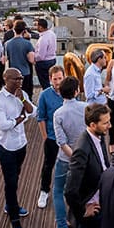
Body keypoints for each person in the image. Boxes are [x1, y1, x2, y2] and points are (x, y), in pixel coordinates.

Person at [0, 68, 33, 228]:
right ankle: (14, 218)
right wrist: (20, 118)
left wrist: (22, 99)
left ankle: (10, 205)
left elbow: (32, 112)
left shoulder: (21, 94)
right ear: (6, 79)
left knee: (16, 176)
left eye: (21, 78)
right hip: (5, 147)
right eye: (16, 79)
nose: (20, 81)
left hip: (21, 144)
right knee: (11, 181)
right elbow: (4, 125)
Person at [42, 75, 82, 228]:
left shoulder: (59, 113)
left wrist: (72, 157)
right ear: (77, 91)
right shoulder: (86, 108)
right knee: (79, 192)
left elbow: (61, 142)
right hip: (83, 159)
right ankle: (77, 224)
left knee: (58, 192)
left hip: (66, 159)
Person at [35, 65, 65, 210]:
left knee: (70, 165)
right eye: (55, 79)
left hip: (68, 138)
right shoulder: (44, 95)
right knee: (48, 165)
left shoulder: (69, 92)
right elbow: (41, 118)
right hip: (52, 138)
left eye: (60, 78)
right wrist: (45, 137)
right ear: (50, 79)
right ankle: (44, 191)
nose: (58, 82)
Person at [4, 20, 36, 100]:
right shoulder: (27, 44)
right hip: (25, 72)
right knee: (26, 94)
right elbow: (31, 60)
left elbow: (6, 58)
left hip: (13, 73)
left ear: (14, 30)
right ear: (24, 30)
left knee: (14, 93)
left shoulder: (7, 43)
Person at [34, 17, 58, 92]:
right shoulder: (52, 34)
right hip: (52, 60)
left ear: (41, 27)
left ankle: (48, 96)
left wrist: (34, 58)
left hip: (44, 63)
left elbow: (41, 56)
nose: (36, 27)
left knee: (45, 83)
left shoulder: (43, 39)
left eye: (37, 26)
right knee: (51, 81)